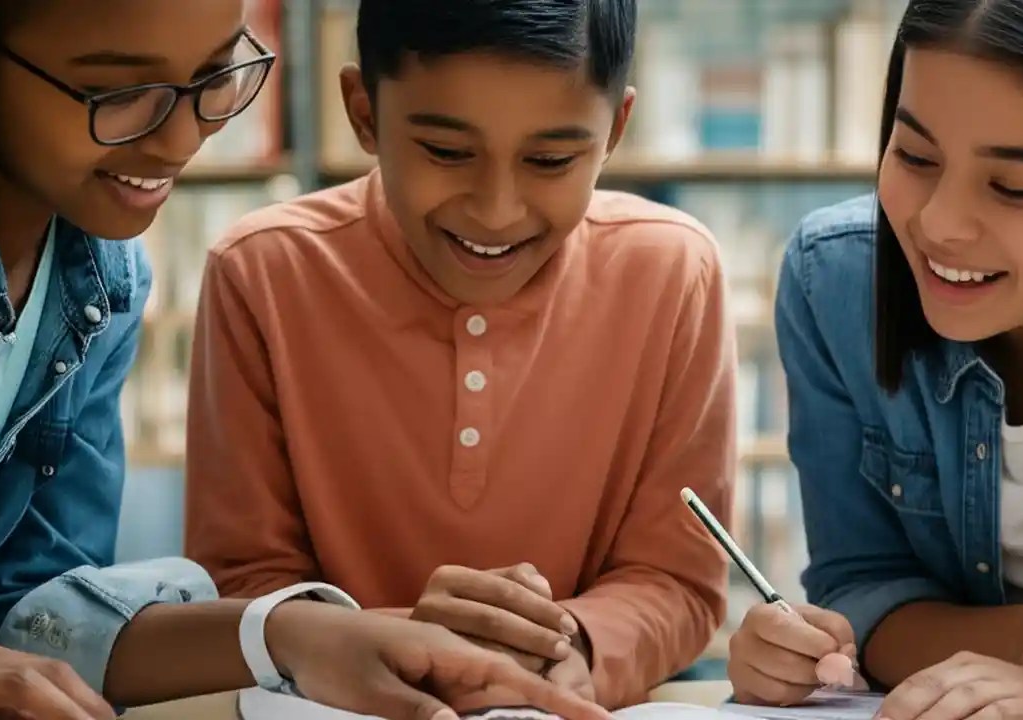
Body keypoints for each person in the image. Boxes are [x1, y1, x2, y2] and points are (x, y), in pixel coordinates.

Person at [0, 3, 612, 719]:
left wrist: (288, 635)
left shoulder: (102, 280)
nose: (183, 137)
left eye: (216, 74)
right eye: (120, 94)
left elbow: (33, 616)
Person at [183, 0, 735, 709]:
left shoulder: (673, 272)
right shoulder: (260, 274)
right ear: (364, 113)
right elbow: (244, 582)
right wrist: (408, 641)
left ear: (615, 130)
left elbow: (678, 579)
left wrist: (574, 645)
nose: (497, 210)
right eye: (446, 152)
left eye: (550, 160)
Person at [727, 0, 1023, 718]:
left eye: (1015, 188)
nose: (937, 225)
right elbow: (866, 591)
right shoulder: (831, 281)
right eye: (915, 156)